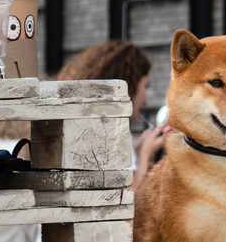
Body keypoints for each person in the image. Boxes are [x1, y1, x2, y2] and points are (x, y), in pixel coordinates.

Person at [56, 41, 164, 189]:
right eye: (145, 86)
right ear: (129, 85)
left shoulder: (82, 122)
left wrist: (137, 154)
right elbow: (129, 198)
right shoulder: (113, 129)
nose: (146, 100)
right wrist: (145, 154)